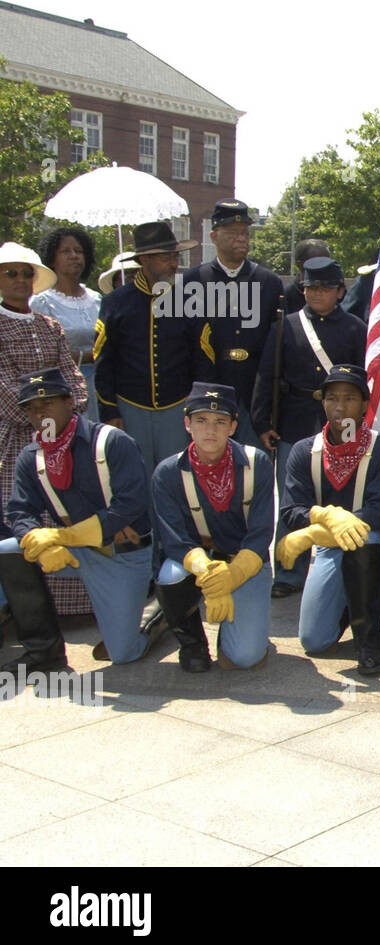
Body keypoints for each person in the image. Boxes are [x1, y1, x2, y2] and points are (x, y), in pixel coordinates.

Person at [0, 368, 153, 674]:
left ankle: (155, 614)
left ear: (70, 402)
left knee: (123, 653)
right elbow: (18, 512)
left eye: (47, 404)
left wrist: (61, 538)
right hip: (76, 552)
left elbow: (130, 505)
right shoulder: (32, 456)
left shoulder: (112, 441)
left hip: (122, 553)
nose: (38, 414)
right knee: (7, 550)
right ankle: (44, 652)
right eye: (31, 408)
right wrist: (39, 544)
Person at [275, 364, 380, 676]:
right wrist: (327, 517)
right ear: (322, 403)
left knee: (362, 545)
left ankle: (369, 642)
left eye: (349, 398)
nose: (339, 406)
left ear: (364, 405)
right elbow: (292, 511)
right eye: (332, 398)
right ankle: (348, 603)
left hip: (377, 540)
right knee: (315, 641)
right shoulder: (304, 451)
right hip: (328, 545)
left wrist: (313, 533)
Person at [251, 257, 366, 598]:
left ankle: (346, 563)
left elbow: (362, 379)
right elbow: (266, 375)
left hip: (342, 419)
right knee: (293, 497)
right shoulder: (285, 326)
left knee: (343, 492)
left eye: (324, 288)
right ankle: (288, 571)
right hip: (296, 417)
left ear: (340, 291)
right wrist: (262, 422)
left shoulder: (355, 328)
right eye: (310, 287)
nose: (316, 294)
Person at [151, 383, 274, 672]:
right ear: (187, 424)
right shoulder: (168, 472)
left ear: (233, 426)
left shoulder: (257, 464)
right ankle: (191, 641)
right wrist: (206, 571)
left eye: (220, 422)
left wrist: (232, 576)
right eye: (201, 421)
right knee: (170, 575)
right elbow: (174, 541)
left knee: (244, 658)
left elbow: (260, 535)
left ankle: (237, 629)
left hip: (243, 561)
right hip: (195, 564)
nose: (211, 430)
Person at [0, 242, 91, 616]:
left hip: (61, 439)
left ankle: (66, 607)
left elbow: (75, 380)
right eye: (11, 273)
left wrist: (67, 413)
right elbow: (3, 389)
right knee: (17, 516)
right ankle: (17, 608)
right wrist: (44, 417)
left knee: (60, 514)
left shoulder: (49, 326)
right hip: (13, 438)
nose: (21, 280)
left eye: (27, 273)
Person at [94, 221, 211, 482]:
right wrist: (110, 411)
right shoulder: (116, 302)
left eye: (175, 257)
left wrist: (197, 405)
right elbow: (104, 361)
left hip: (177, 406)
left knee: (177, 479)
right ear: (145, 260)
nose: (173, 264)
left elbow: (203, 358)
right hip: (130, 407)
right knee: (134, 478)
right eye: (166, 257)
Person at [182, 199, 284, 446]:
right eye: (233, 233)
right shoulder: (194, 281)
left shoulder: (268, 282)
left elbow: (278, 344)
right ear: (214, 236)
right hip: (209, 392)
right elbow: (185, 344)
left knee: (252, 467)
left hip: (255, 395)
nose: (241, 239)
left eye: (245, 233)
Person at [32, 227, 100, 420]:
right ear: (52, 259)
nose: (74, 256)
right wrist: (90, 356)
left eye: (79, 251)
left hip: (101, 387)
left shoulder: (97, 300)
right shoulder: (41, 302)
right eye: (65, 251)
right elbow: (44, 352)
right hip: (63, 388)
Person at [282, 239, 331, 316]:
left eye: (327, 262)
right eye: (317, 262)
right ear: (299, 264)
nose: (324, 266)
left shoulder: (335, 292)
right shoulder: (286, 296)